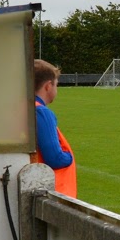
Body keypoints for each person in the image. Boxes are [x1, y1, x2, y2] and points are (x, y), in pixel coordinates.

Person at [32, 60, 77, 197]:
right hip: (49, 191)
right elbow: (55, 159)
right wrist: (69, 157)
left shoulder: (19, 107)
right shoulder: (41, 112)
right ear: (48, 86)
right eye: (56, 85)